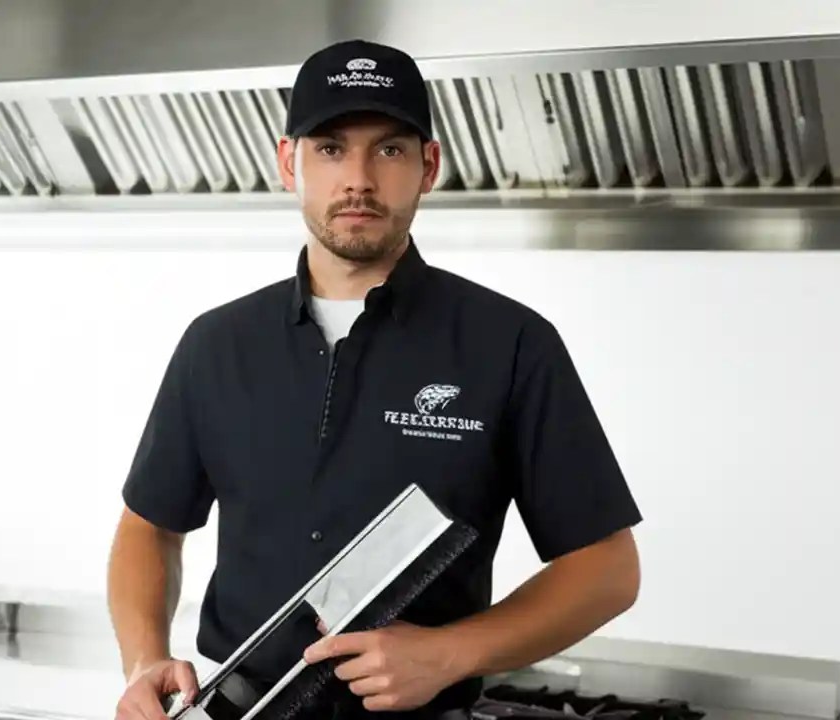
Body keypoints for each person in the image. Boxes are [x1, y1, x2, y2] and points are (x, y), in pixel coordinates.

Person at [108, 38, 643, 720]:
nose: (357, 178)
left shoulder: (510, 344)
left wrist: (449, 653)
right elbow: (147, 528)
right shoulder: (217, 344)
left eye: (388, 149)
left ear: (429, 166)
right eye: (330, 148)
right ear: (287, 163)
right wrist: (144, 658)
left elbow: (607, 570)